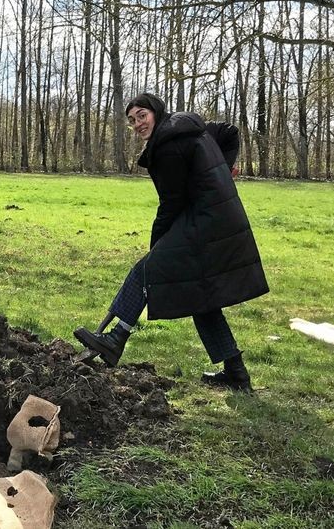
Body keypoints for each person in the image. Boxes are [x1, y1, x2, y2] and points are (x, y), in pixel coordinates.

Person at [74, 93, 268, 391]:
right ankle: (236, 372)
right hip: (218, 216)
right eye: (132, 120)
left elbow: (171, 204)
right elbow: (229, 133)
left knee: (147, 269)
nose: (138, 123)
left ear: (155, 111)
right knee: (200, 293)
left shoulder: (166, 145)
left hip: (204, 221)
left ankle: (116, 337)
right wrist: (220, 175)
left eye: (142, 115)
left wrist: (157, 245)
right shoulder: (186, 126)